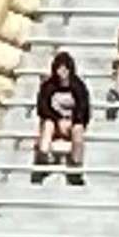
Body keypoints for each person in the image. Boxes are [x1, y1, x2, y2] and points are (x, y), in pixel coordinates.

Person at [32, 52, 91, 186]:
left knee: (78, 131)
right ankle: (42, 162)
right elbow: (43, 107)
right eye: (59, 69)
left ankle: (75, 169)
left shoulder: (78, 86)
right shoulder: (48, 86)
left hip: (72, 121)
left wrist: (73, 121)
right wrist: (57, 120)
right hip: (54, 120)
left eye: (65, 69)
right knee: (47, 126)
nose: (62, 73)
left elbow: (83, 107)